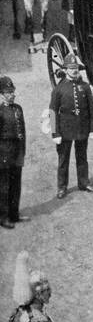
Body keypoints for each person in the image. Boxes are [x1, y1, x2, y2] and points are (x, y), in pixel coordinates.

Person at [48, 56, 93, 200]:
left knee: (82, 157)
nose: (74, 71)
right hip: (64, 131)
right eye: (71, 68)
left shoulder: (85, 86)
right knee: (63, 160)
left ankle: (83, 183)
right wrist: (55, 133)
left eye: (76, 68)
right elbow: (52, 111)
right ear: (65, 70)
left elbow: (91, 109)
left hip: (82, 129)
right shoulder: (59, 89)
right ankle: (62, 187)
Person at [0, 75, 27, 228]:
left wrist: (22, 152)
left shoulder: (18, 109)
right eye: (8, 92)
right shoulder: (0, 111)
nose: (12, 94)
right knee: (4, 188)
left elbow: (22, 132)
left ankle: (14, 215)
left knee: (16, 186)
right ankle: (3, 218)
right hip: (4, 156)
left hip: (17, 154)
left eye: (12, 91)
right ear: (1, 94)